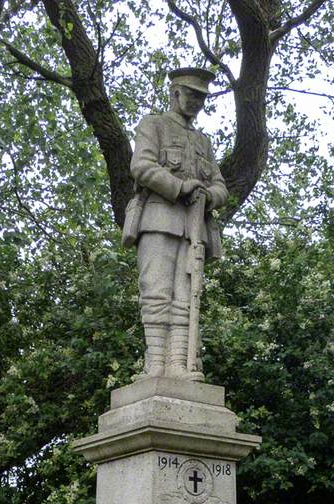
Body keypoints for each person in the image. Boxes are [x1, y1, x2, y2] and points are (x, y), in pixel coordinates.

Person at [122, 67, 227, 379]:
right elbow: (141, 166)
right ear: (175, 93)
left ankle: (179, 365)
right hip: (158, 219)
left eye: (201, 98)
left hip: (194, 229)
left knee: (185, 298)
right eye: (191, 94)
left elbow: (220, 185)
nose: (195, 102)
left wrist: (209, 196)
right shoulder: (153, 125)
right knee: (156, 294)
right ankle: (155, 364)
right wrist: (181, 187)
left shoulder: (203, 143)